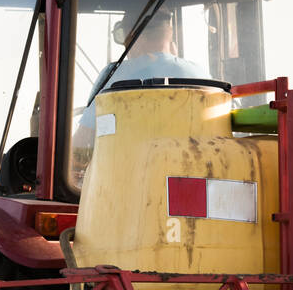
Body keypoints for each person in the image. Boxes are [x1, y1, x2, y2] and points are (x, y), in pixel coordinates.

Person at [70, 11, 209, 179]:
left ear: (135, 37)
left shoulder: (116, 74)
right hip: (190, 181)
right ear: (169, 34)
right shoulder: (200, 75)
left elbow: (81, 147)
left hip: (129, 185)